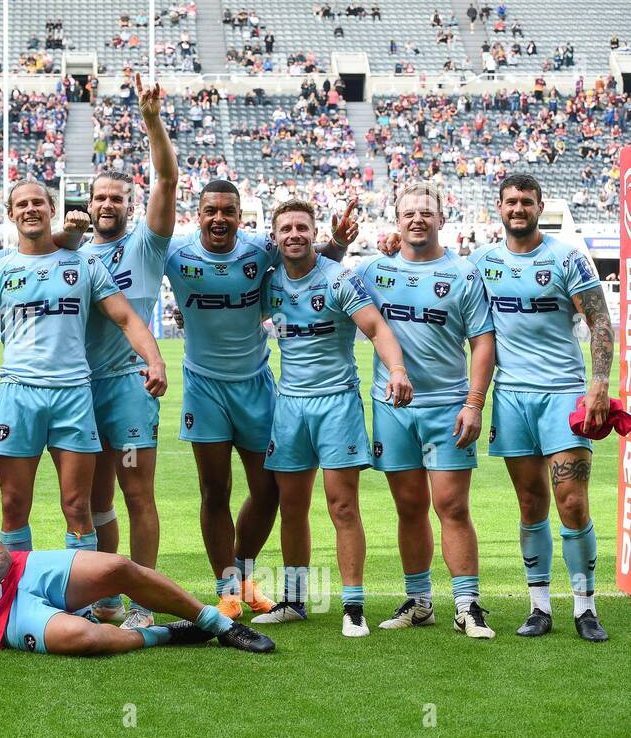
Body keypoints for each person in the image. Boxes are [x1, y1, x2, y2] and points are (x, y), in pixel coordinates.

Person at [0, 459, 274, 655]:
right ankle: (169, 636)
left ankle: (221, 624)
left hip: (21, 575)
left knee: (117, 567)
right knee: (85, 638)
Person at [164, 183, 356, 618]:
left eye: (228, 212)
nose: (219, 219)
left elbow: (304, 261)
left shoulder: (259, 251)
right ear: (197, 214)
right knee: (215, 490)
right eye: (211, 210)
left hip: (256, 385)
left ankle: (242, 574)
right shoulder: (175, 254)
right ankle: (228, 588)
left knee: (269, 491)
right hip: (203, 386)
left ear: (240, 216)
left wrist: (339, 243)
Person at [0, 181, 166, 566]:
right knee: (13, 504)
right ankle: (19, 596)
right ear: (10, 213)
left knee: (77, 506)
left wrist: (154, 360)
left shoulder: (85, 264)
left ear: (52, 209)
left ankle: (84, 602)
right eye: (22, 204)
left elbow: (126, 319)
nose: (31, 209)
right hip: (20, 395)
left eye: (38, 202)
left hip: (73, 395)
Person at [253, 199, 412, 638]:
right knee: (292, 508)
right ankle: (294, 600)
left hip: (336, 404)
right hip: (289, 407)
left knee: (342, 506)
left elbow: (377, 328)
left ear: (313, 231)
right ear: (275, 236)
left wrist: (397, 370)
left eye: (302, 227)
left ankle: (353, 606)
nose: (294, 235)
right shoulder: (269, 285)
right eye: (285, 228)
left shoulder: (341, 279)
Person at [469, 174, 613, 642]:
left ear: (539, 206)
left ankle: (585, 607)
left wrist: (598, 383)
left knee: (572, 502)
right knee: (531, 504)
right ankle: (539, 607)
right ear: (499, 206)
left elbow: (599, 320)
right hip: (511, 398)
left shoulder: (566, 257)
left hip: (563, 394)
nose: (517, 208)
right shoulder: (481, 262)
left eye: (526, 201)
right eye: (510, 201)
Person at [354, 182, 497, 639]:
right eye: (408, 213)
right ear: (397, 222)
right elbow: (315, 275)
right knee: (409, 507)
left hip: (448, 407)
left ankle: (468, 605)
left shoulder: (463, 273)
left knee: (451, 505)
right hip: (392, 407)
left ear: (441, 218)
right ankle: (419, 602)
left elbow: (482, 343)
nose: (417, 219)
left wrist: (474, 404)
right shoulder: (374, 270)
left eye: (426, 212)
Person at [74, 71, 178, 629]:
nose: (108, 203)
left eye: (117, 197)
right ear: (88, 204)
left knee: (138, 493)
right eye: (100, 197)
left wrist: (151, 120)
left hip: (130, 388)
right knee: (93, 502)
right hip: (78, 391)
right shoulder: (72, 253)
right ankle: (103, 596)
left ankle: (142, 602)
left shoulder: (146, 243)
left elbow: (166, 176)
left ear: (129, 204)